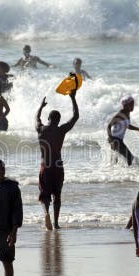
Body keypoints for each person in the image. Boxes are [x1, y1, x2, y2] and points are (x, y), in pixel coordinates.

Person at [35, 90, 79, 230]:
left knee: (44, 196)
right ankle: (56, 223)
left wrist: (41, 107)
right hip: (58, 166)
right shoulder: (61, 130)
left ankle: (46, 213)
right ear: (58, 120)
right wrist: (73, 98)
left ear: (48, 118)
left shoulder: (41, 129)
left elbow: (36, 118)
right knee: (57, 195)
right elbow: (75, 116)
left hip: (46, 165)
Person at [107, 95, 139, 166]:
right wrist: (111, 139)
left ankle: (113, 172)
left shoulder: (127, 114)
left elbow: (127, 126)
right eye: (131, 104)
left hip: (118, 140)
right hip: (115, 140)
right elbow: (109, 126)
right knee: (129, 158)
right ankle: (130, 171)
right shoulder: (120, 114)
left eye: (133, 104)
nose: (133, 106)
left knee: (114, 161)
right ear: (126, 105)